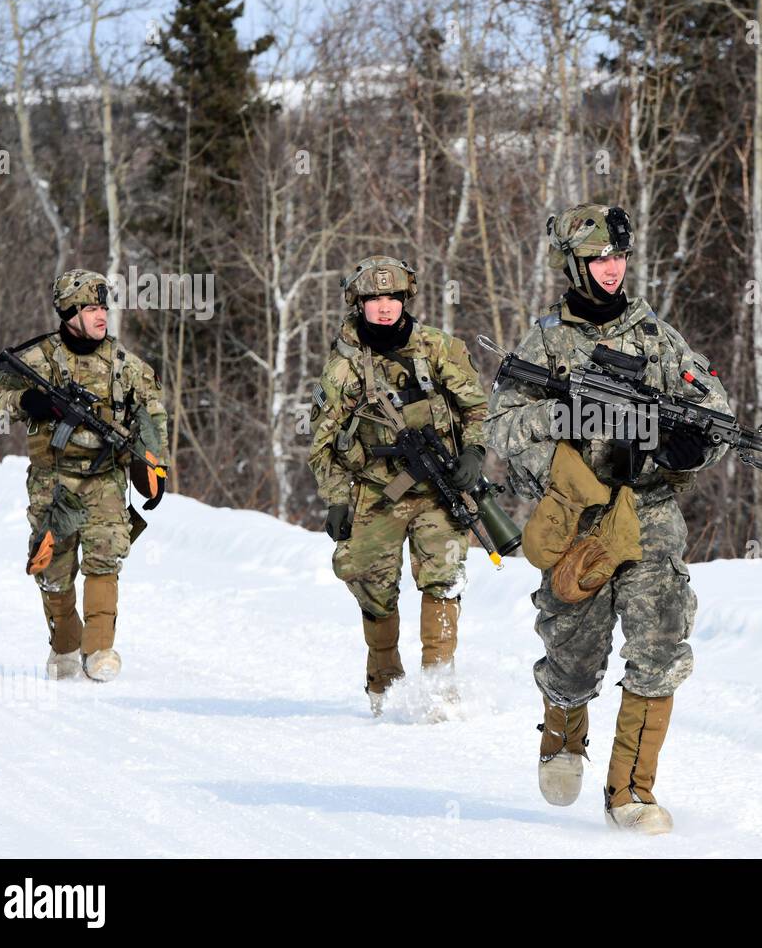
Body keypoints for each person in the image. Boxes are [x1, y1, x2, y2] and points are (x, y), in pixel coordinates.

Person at [485, 205, 731, 833]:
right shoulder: (545, 345)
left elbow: (716, 411)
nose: (613, 269)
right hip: (578, 518)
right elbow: (503, 426)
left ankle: (631, 793)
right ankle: (563, 735)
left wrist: (692, 443)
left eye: (619, 257)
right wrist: (568, 432)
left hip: (648, 510)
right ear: (574, 264)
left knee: (660, 643)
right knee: (575, 655)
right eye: (599, 259)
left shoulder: (658, 337)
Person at [308, 256, 490, 717]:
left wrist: (473, 454)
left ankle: (438, 686)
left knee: (443, 580)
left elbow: (477, 408)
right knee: (370, 583)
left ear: (406, 299)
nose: (385, 308)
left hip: (438, 490)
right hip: (376, 493)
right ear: (359, 304)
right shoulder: (342, 369)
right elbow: (322, 444)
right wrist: (336, 500)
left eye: (393, 298)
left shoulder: (439, 349)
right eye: (374, 299)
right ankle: (384, 680)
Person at [0, 269, 168, 682]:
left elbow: (152, 413)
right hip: (53, 480)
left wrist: (155, 465)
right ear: (69, 312)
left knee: (106, 557)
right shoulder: (39, 359)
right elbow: (0, 399)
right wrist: (27, 400)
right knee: (53, 570)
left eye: (104, 307)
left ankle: (100, 649)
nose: (101, 315)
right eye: (91, 308)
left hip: (105, 477)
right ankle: (66, 645)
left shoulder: (124, 364)